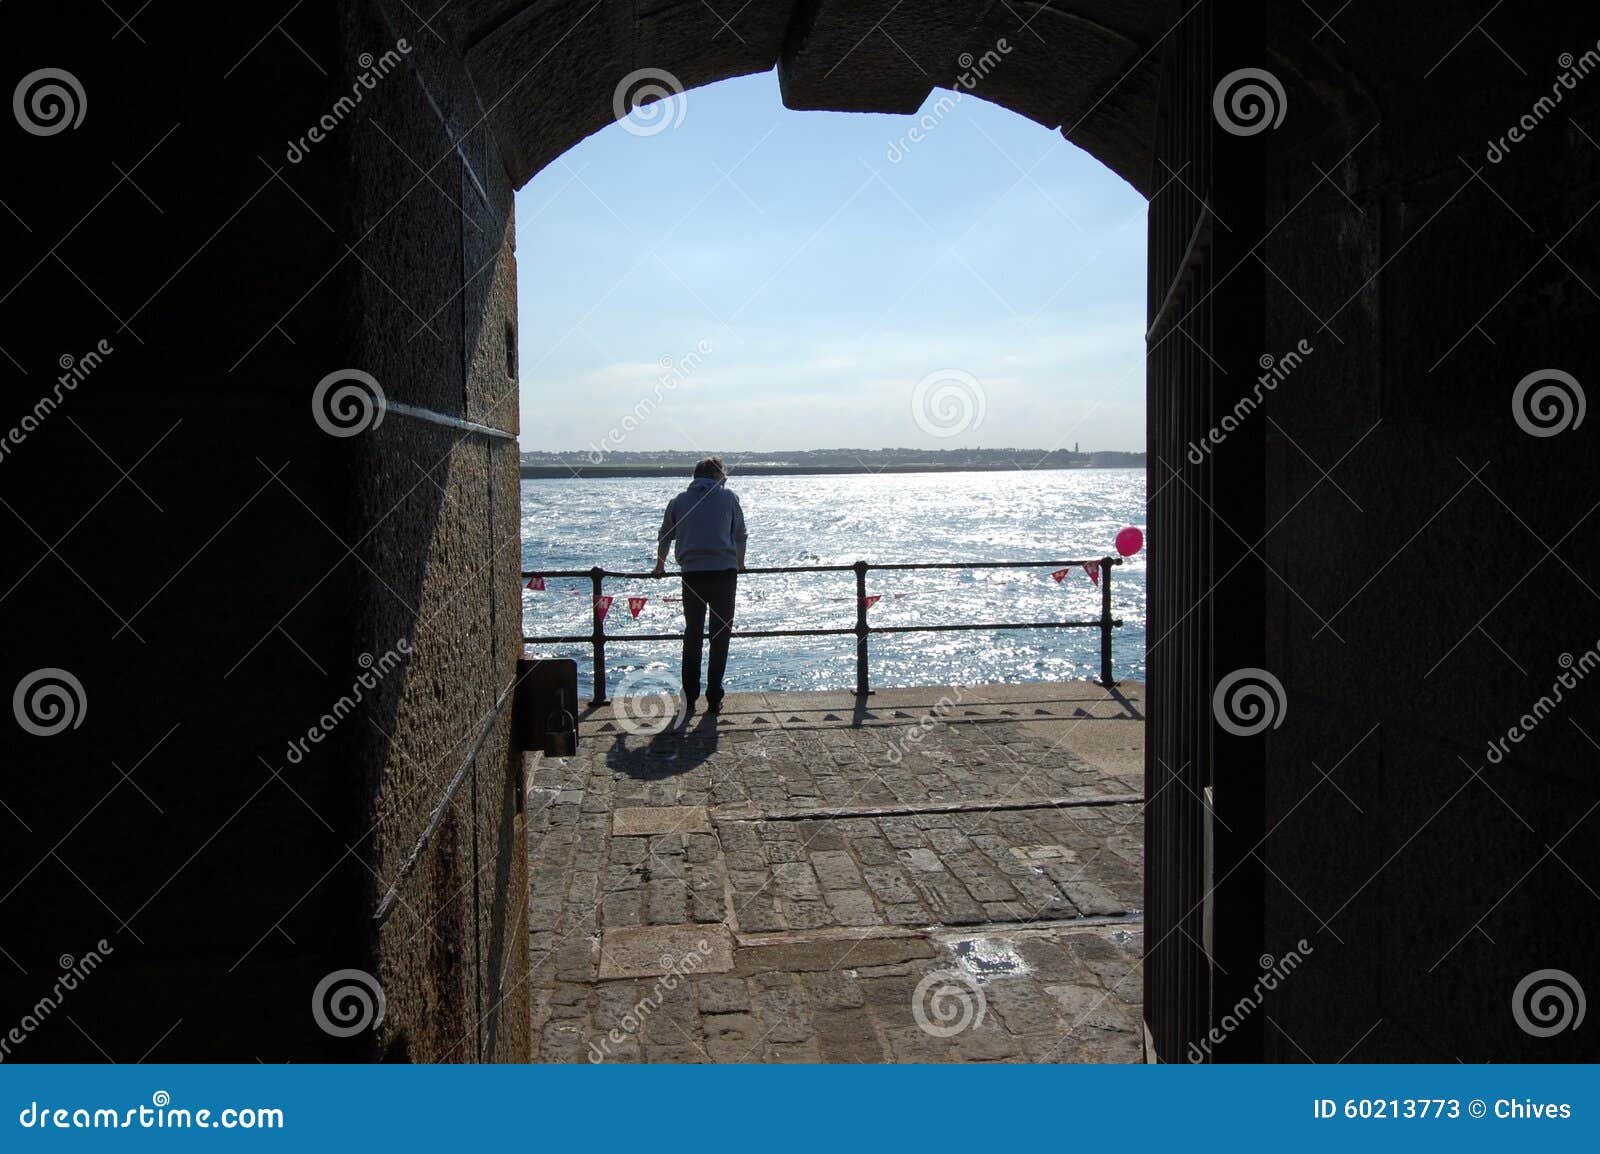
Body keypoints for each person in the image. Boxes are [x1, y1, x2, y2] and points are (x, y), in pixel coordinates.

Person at [653, 457, 747, 711]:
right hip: (724, 574)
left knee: (693, 633)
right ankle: (714, 695)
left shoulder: (679, 501)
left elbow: (665, 536)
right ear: (719, 475)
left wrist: (660, 566)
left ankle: (690, 694)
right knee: (720, 635)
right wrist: (741, 562)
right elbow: (740, 534)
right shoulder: (728, 498)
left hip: (692, 574)